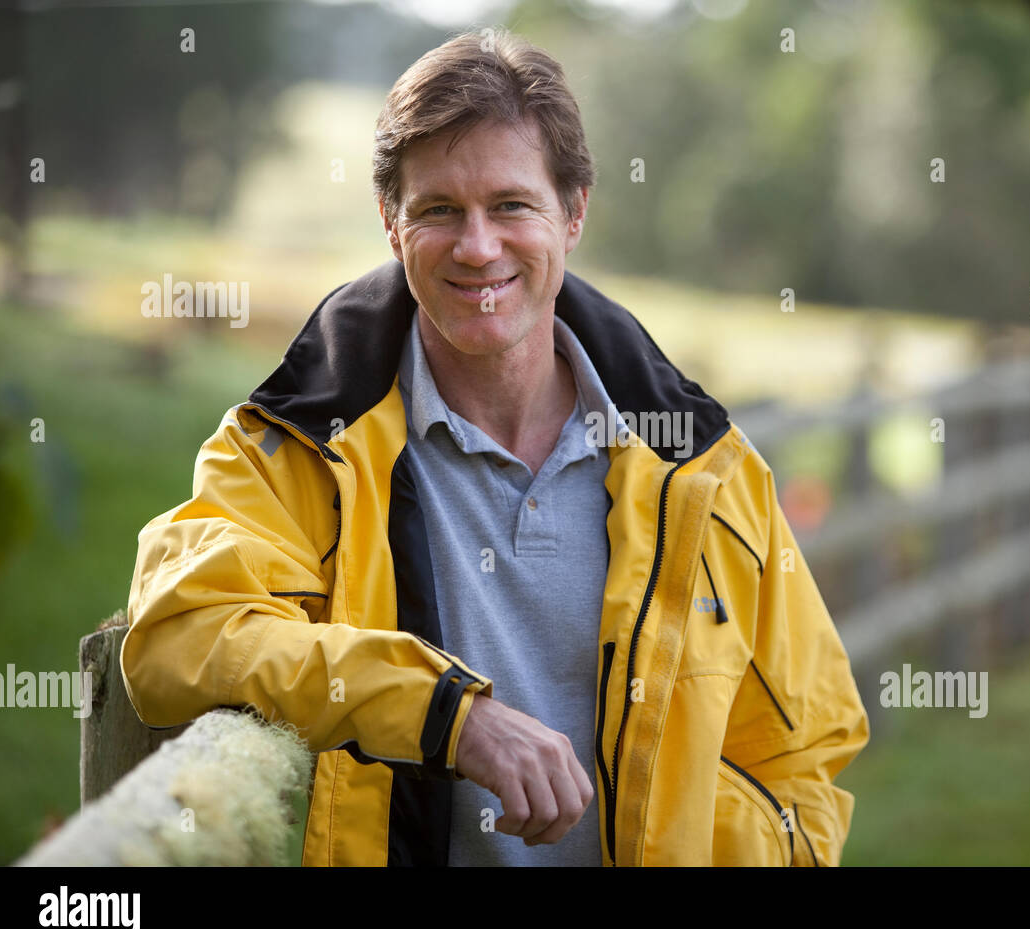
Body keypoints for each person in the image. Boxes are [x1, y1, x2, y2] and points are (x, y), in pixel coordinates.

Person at [121, 28, 869, 867]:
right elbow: (177, 637)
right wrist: (447, 715)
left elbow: (805, 752)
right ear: (391, 225)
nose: (478, 248)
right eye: (440, 209)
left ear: (574, 211)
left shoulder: (707, 472)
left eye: (511, 205)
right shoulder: (297, 442)